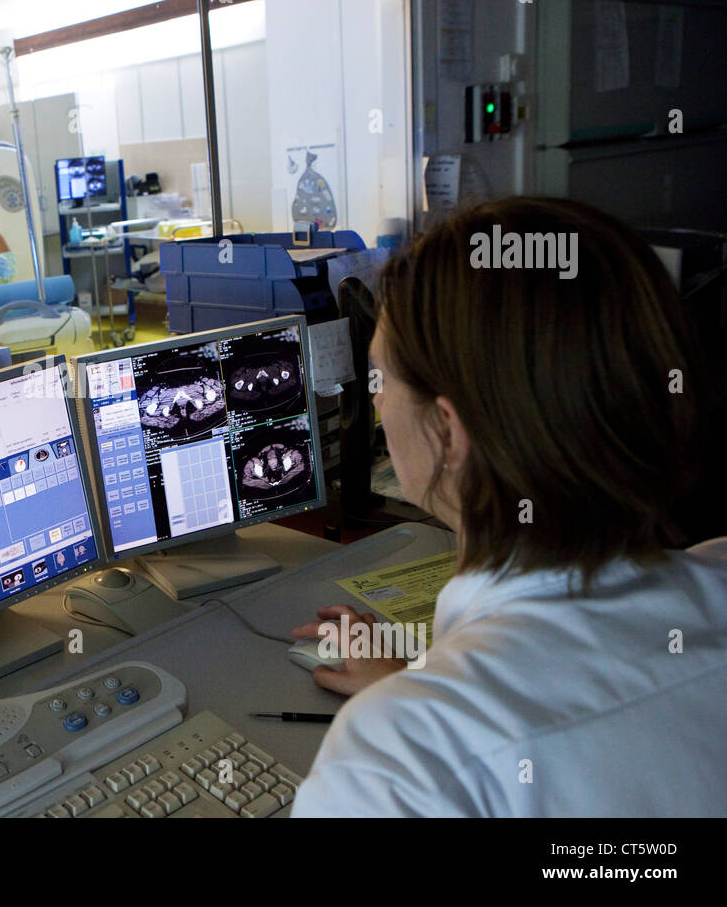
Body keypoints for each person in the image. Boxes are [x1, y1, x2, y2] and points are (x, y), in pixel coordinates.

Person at [288, 197, 726, 817]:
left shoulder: (389, 769)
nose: (377, 409)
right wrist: (425, 693)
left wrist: (421, 716)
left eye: (382, 381)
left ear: (449, 431)